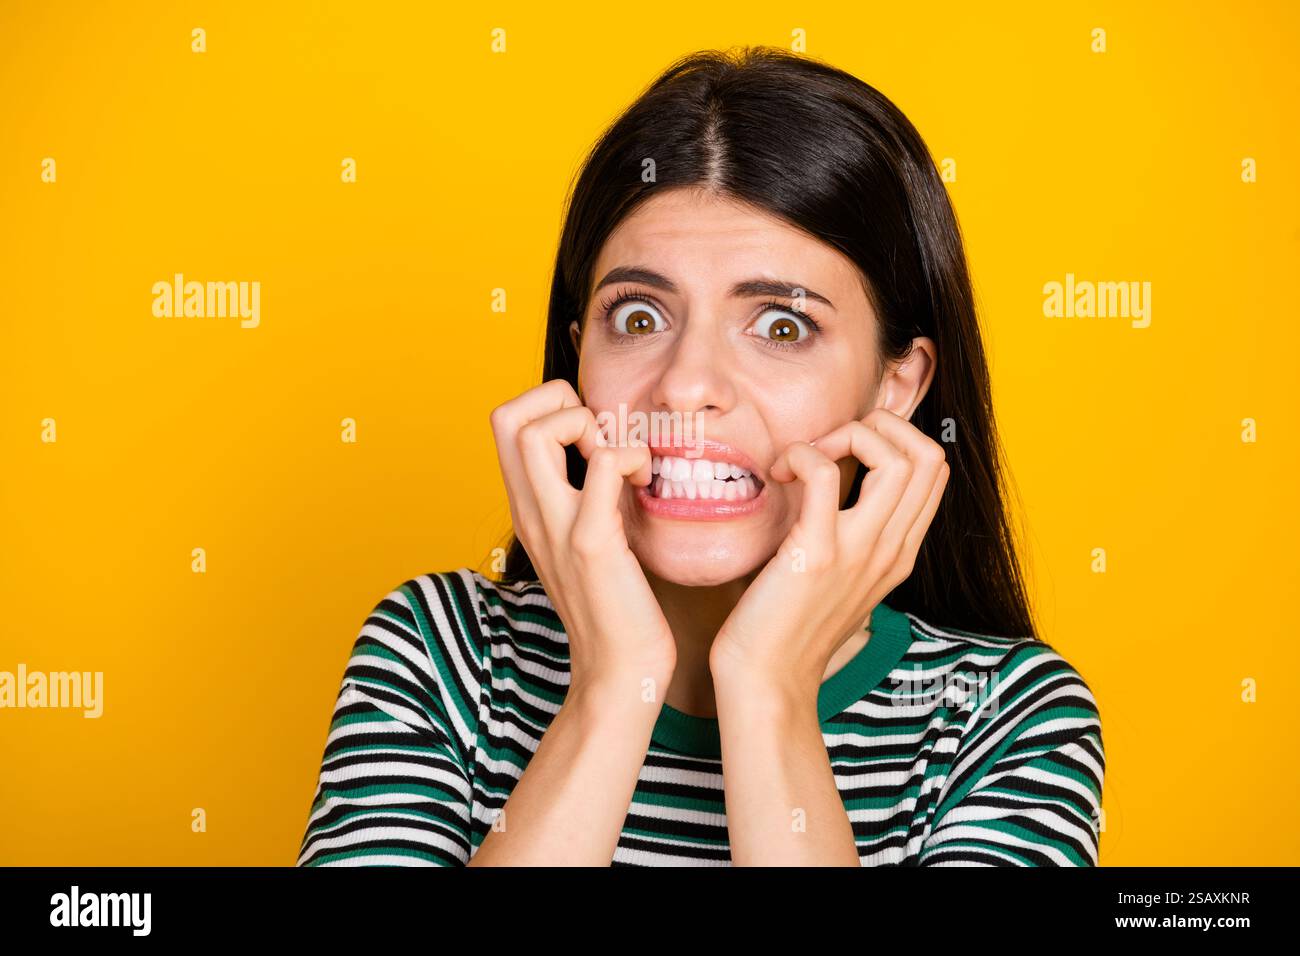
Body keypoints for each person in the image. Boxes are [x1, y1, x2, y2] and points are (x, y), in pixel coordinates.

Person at [297, 46, 1104, 867]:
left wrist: (768, 692)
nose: (685, 387)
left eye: (782, 327)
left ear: (898, 385)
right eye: (639, 318)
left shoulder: (1003, 718)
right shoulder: (442, 656)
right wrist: (614, 687)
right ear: (577, 359)